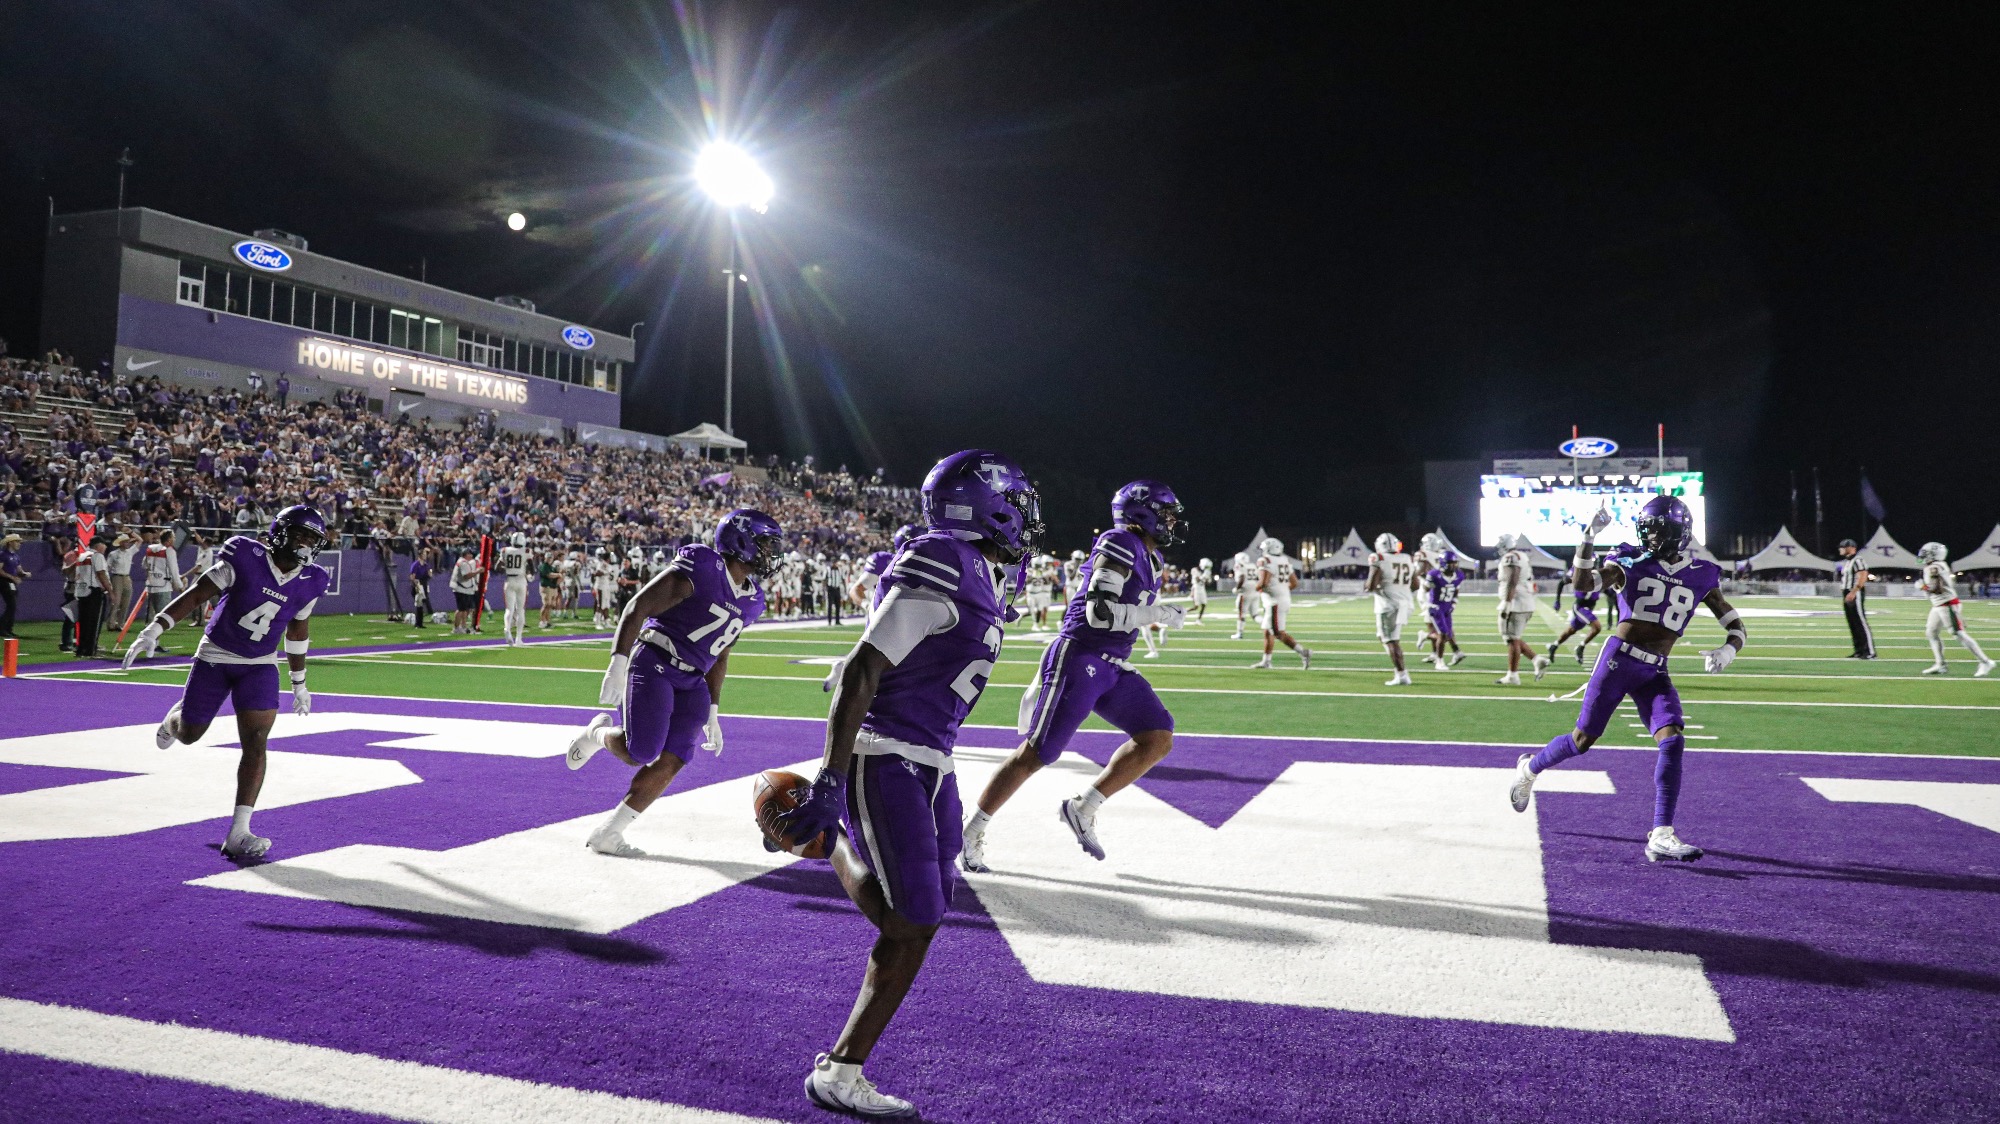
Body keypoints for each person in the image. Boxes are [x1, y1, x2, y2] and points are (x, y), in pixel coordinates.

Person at [775, 450, 1042, 1118]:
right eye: (1018, 503)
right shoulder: (944, 557)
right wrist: (831, 779)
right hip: (885, 752)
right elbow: (865, 668)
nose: (1027, 518)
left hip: (933, 760)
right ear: (988, 504)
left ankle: (841, 1067)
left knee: (922, 915)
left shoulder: (977, 568)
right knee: (914, 921)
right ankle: (841, 1071)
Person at [964, 478, 1185, 871]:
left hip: (1114, 663)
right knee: (1038, 753)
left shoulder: (1152, 558)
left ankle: (1083, 807)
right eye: (1165, 514)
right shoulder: (1120, 542)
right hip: (1081, 656)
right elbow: (1097, 613)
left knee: (1156, 737)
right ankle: (971, 829)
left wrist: (1154, 613)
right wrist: (1159, 614)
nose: (1171, 522)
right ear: (1143, 513)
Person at [1508, 498, 1741, 862]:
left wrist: (1729, 650)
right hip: (1619, 660)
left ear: (1680, 531)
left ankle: (1661, 834)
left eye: (1658, 530)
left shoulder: (1703, 572)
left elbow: (1735, 624)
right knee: (1583, 739)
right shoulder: (1630, 559)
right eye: (1646, 530)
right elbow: (1583, 584)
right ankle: (1530, 767)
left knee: (1673, 740)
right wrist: (1588, 537)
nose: (1650, 537)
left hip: (1656, 669)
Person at [566, 509, 782, 855]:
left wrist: (713, 707)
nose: (772, 553)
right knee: (641, 751)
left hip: (693, 679)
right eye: (766, 544)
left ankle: (610, 833)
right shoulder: (703, 566)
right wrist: (618, 662)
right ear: (742, 541)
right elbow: (637, 606)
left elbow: (721, 651)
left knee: (676, 756)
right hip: (656, 660)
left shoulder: (754, 599)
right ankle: (596, 734)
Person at [122, 506, 332, 860]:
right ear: (281, 533)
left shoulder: (312, 579)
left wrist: (299, 681)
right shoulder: (244, 556)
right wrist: (155, 628)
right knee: (190, 733)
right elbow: (196, 595)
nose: (306, 545)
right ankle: (174, 720)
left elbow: (297, 630)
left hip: (260, 665)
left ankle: (239, 832)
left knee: (256, 742)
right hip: (216, 658)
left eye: (313, 539)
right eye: (300, 535)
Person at [1916, 541, 1994, 676]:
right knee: (1931, 632)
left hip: (1947, 604)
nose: (1923, 556)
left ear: (1934, 555)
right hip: (1940, 604)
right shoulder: (1936, 566)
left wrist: (1921, 587)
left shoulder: (1934, 567)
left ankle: (1985, 661)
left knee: (1959, 634)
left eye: (1926, 554)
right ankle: (1940, 664)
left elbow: (1936, 588)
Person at [1493, 533, 1551, 685]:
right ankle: (1537, 660)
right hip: (1525, 601)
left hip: (1516, 603)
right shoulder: (1522, 555)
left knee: (1511, 639)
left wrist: (1507, 602)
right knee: (1514, 638)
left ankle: (1513, 676)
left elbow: (1512, 580)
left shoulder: (1510, 558)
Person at [1365, 533, 1417, 685]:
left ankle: (1402, 675)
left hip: (1388, 605)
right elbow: (1416, 585)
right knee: (1387, 638)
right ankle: (1400, 670)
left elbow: (1371, 586)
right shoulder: (1407, 558)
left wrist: (1370, 586)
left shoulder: (1379, 558)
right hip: (1406, 603)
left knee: (1391, 641)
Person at [1252, 538, 1311, 669]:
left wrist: (1255, 589)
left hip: (1274, 602)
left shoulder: (1265, 560)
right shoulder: (1284, 560)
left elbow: (1263, 583)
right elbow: (1294, 582)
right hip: (1283, 598)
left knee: (1278, 632)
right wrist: (1282, 590)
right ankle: (1266, 661)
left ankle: (1303, 652)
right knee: (1268, 632)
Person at [1547, 567, 1606, 667]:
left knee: (1572, 630)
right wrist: (1557, 600)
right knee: (1597, 627)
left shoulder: (1599, 574)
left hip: (1590, 606)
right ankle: (1581, 647)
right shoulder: (1579, 572)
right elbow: (1563, 582)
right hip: (1580, 607)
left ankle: (1554, 645)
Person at [67, 540, 110, 658]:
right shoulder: (97, 556)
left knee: (83, 622)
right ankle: (90, 650)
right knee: (94, 623)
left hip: (81, 591)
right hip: (94, 591)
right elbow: (101, 573)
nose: (105, 546)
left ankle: (81, 649)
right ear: (99, 545)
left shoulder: (81, 556)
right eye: (104, 544)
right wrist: (110, 591)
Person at [1424, 550, 1467, 669]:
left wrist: (1454, 603)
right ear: (1443, 563)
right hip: (1435, 607)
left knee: (1448, 634)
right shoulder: (1434, 574)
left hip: (1447, 607)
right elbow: (1426, 589)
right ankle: (1439, 661)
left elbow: (1456, 590)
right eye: (1450, 563)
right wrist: (1429, 584)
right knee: (1442, 634)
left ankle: (1425, 636)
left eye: (1454, 563)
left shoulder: (1458, 575)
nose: (1453, 565)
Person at [1836, 538, 1875, 659]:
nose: (1840, 549)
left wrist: (1854, 591)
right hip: (1848, 592)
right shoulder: (1847, 562)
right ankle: (1859, 650)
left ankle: (1870, 651)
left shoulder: (1858, 560)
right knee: (1852, 623)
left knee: (1860, 622)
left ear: (1851, 548)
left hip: (1855, 592)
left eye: (1843, 547)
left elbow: (1863, 576)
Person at [498, 532, 531, 646]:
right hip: (521, 580)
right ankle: (519, 639)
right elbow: (532, 567)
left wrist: (507, 566)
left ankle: (507, 628)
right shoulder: (526, 551)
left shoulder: (505, 550)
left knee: (509, 609)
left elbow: (497, 567)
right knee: (520, 610)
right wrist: (530, 573)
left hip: (509, 580)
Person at [0, 532, 28, 639]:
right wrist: (12, 578)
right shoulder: (3, 554)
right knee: (11, 605)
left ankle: (8, 629)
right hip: (4, 581)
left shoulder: (15, 556)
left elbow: (19, 570)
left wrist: (24, 574)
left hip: (11, 582)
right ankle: (3, 628)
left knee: (12, 606)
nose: (19, 544)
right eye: (17, 541)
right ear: (10, 543)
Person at [450, 547, 482, 633]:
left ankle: (462, 626)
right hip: (461, 588)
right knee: (461, 609)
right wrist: (477, 572)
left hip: (463, 588)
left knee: (464, 609)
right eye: (470, 554)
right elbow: (466, 576)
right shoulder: (463, 563)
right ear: (466, 554)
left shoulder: (463, 562)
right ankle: (456, 628)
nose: (471, 556)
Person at [1231, 551, 1255, 640]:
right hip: (1254, 590)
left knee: (1241, 613)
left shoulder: (1239, 566)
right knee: (1255, 614)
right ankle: (1269, 628)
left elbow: (1242, 578)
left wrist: (1237, 588)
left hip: (1245, 591)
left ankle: (1239, 633)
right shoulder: (1252, 565)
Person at [409, 550, 434, 628]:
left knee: (421, 604)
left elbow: (429, 574)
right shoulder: (416, 565)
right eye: (424, 554)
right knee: (419, 604)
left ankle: (420, 622)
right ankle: (418, 623)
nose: (425, 556)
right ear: (420, 555)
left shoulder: (426, 565)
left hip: (424, 584)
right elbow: (412, 577)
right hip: (418, 584)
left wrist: (430, 574)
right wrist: (416, 585)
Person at [1188, 557, 1213, 623]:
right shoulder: (1194, 569)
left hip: (1202, 588)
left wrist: (1207, 579)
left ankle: (1198, 620)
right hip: (1196, 588)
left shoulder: (1206, 572)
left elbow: (1208, 583)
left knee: (1204, 605)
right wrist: (1204, 576)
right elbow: (1197, 579)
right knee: (1196, 607)